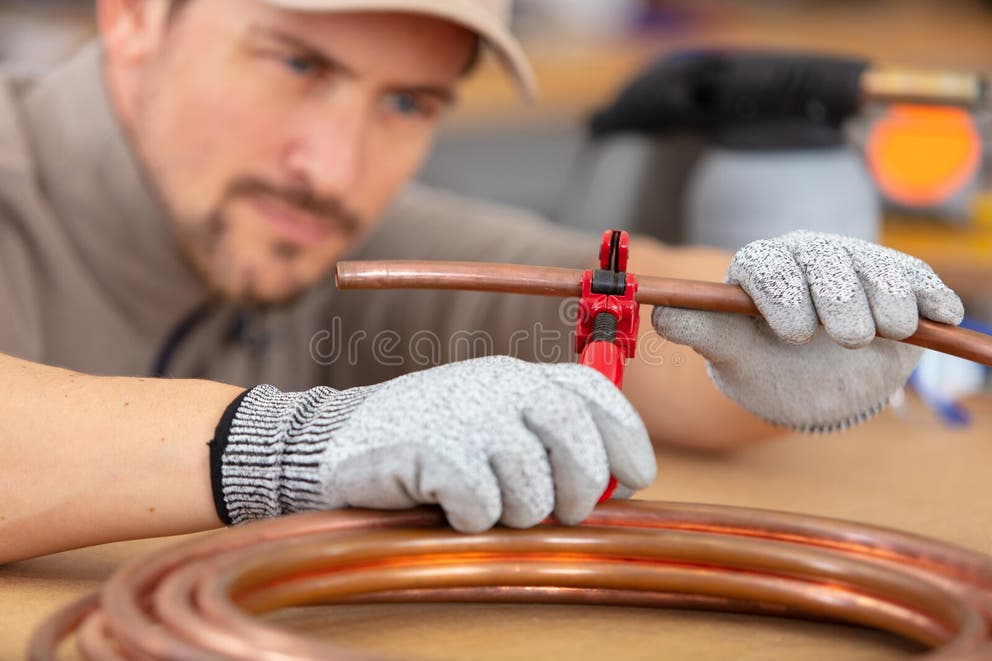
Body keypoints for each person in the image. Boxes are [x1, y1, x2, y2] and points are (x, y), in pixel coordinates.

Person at [0, 0, 963, 564]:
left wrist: (783, 323)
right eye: (298, 62)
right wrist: (294, 447)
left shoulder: (324, 224)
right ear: (133, 18)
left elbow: (645, 322)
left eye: (408, 101)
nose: (333, 167)